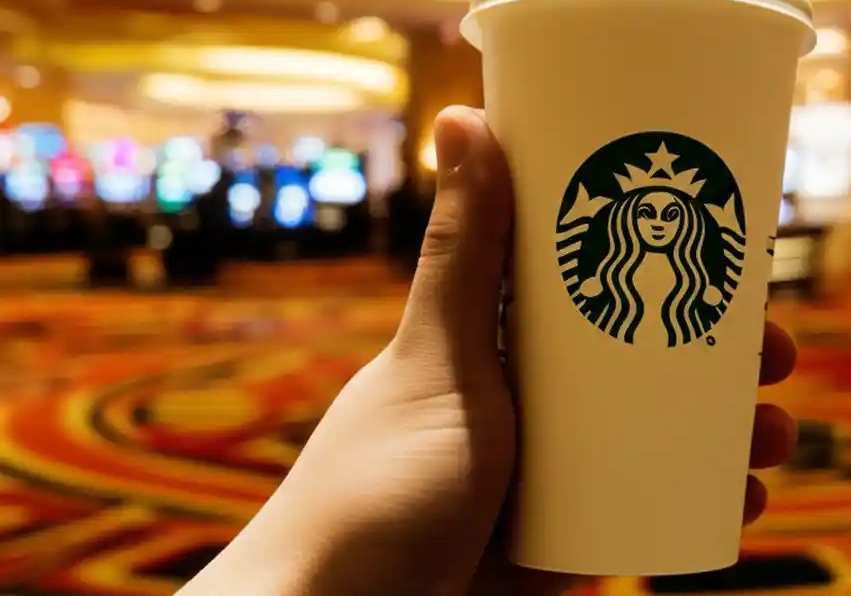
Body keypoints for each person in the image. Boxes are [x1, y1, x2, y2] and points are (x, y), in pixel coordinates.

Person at [180, 107, 799, 596]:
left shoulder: (694, 281)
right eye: (645, 211)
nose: (659, 223)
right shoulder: (612, 275)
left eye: (673, 211)